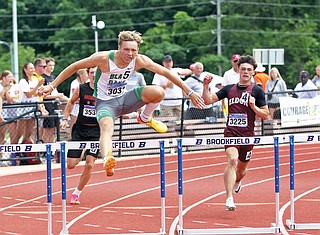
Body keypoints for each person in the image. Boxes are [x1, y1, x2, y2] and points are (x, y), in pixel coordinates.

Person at [39, 30, 204, 177]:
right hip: (105, 104)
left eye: (133, 50)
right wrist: (52, 86)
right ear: (119, 48)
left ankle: (145, 118)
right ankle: (107, 159)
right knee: (106, 128)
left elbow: (166, 72)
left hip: (124, 99)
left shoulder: (139, 60)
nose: (130, 54)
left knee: (158, 92)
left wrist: (189, 91)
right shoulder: (103, 59)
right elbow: (74, 66)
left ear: (138, 50)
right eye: (126, 49)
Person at [202, 55, 269, 211]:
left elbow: (266, 115)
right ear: (238, 69)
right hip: (231, 132)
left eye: (249, 70)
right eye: (243, 69)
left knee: (241, 170)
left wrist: (253, 107)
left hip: (248, 135)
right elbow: (208, 100)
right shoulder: (229, 88)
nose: (245, 72)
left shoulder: (257, 90)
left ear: (253, 72)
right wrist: (206, 86)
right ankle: (229, 197)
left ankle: (238, 181)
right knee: (232, 160)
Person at [60, 72, 99, 205]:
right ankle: (83, 152)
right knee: (71, 165)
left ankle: (76, 193)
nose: (94, 75)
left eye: (97, 72)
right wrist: (65, 119)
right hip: (80, 130)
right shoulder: (82, 88)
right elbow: (71, 102)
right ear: (88, 74)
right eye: (92, 72)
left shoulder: (105, 89)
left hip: (96, 132)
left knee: (89, 165)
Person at [14, 62, 45, 144]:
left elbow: (38, 94)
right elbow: (28, 94)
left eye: (33, 68)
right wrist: (38, 86)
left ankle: (23, 149)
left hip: (33, 108)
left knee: (29, 132)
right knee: (19, 132)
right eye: (30, 68)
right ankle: (13, 150)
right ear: (25, 70)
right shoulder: (23, 81)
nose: (33, 70)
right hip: (24, 108)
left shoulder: (35, 80)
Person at [42, 57, 69, 143]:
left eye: (53, 65)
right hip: (47, 105)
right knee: (47, 129)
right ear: (45, 66)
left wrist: (60, 96)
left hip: (54, 105)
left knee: (53, 129)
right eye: (49, 65)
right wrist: (56, 96)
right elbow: (42, 95)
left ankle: (51, 146)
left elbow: (55, 91)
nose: (52, 67)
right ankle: (45, 146)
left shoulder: (52, 77)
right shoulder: (43, 78)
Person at [68, 68, 89, 139]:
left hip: (83, 107)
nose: (87, 75)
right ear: (81, 74)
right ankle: (70, 143)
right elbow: (76, 96)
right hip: (75, 107)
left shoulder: (88, 82)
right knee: (73, 127)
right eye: (86, 73)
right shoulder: (75, 83)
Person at [0, 70, 20, 145]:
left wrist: (7, 92)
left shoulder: (13, 86)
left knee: (13, 133)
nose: (11, 78)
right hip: (2, 112)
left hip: (11, 112)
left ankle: (13, 152)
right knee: (2, 133)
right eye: (9, 77)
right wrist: (4, 90)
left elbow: (10, 100)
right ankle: (1, 153)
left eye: (12, 76)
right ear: (4, 78)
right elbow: (1, 97)